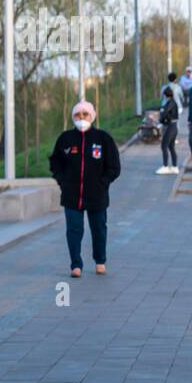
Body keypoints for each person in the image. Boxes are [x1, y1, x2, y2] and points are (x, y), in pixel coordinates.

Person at [49, 100, 122, 278]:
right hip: (72, 196)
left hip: (97, 195)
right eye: (77, 115)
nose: (81, 118)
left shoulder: (103, 139)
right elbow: (55, 163)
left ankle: (100, 260)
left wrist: (103, 183)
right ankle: (76, 264)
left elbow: (114, 167)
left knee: (99, 229)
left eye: (85, 114)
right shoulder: (65, 139)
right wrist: (62, 181)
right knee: (74, 230)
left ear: (92, 116)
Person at [156, 86, 180, 175]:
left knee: (164, 145)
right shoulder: (172, 102)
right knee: (171, 147)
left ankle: (165, 166)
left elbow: (164, 112)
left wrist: (161, 117)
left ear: (165, 95)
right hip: (174, 126)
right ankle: (174, 167)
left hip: (170, 127)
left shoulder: (170, 103)